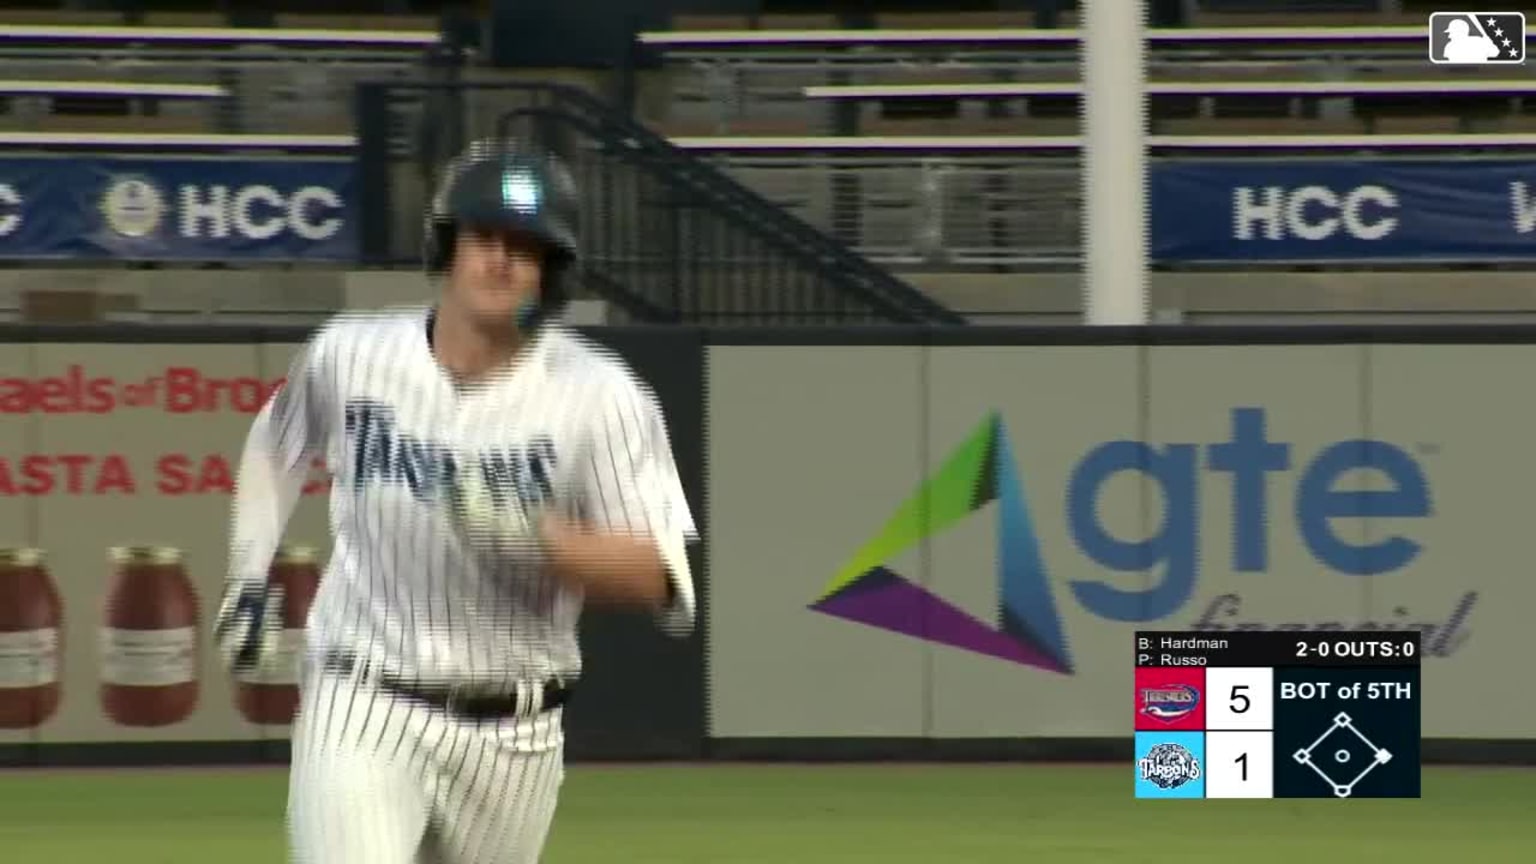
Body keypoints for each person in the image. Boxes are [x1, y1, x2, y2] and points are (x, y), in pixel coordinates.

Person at [213, 138, 699, 864]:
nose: (500, 259)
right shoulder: (353, 354)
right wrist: (249, 574)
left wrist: (539, 536)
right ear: (448, 245)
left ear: (550, 274)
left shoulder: (604, 398)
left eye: (525, 247)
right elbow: (275, 444)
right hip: (364, 697)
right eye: (484, 236)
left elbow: (659, 573)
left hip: (516, 730)